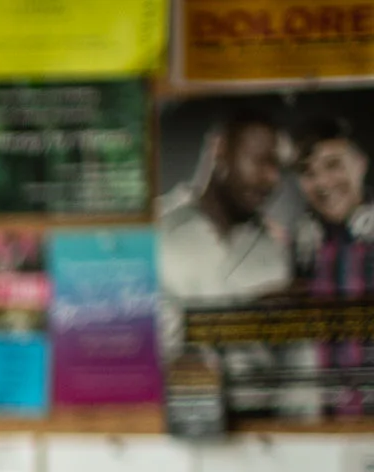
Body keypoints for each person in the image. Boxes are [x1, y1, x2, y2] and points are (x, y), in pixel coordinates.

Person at [158, 105, 291, 311]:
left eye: (278, 167)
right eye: (262, 161)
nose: (274, 179)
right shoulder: (154, 227)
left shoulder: (275, 248)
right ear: (220, 148)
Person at [289, 113, 374, 418]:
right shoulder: (304, 246)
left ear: (360, 163)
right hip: (325, 426)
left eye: (334, 165)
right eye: (308, 173)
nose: (323, 182)